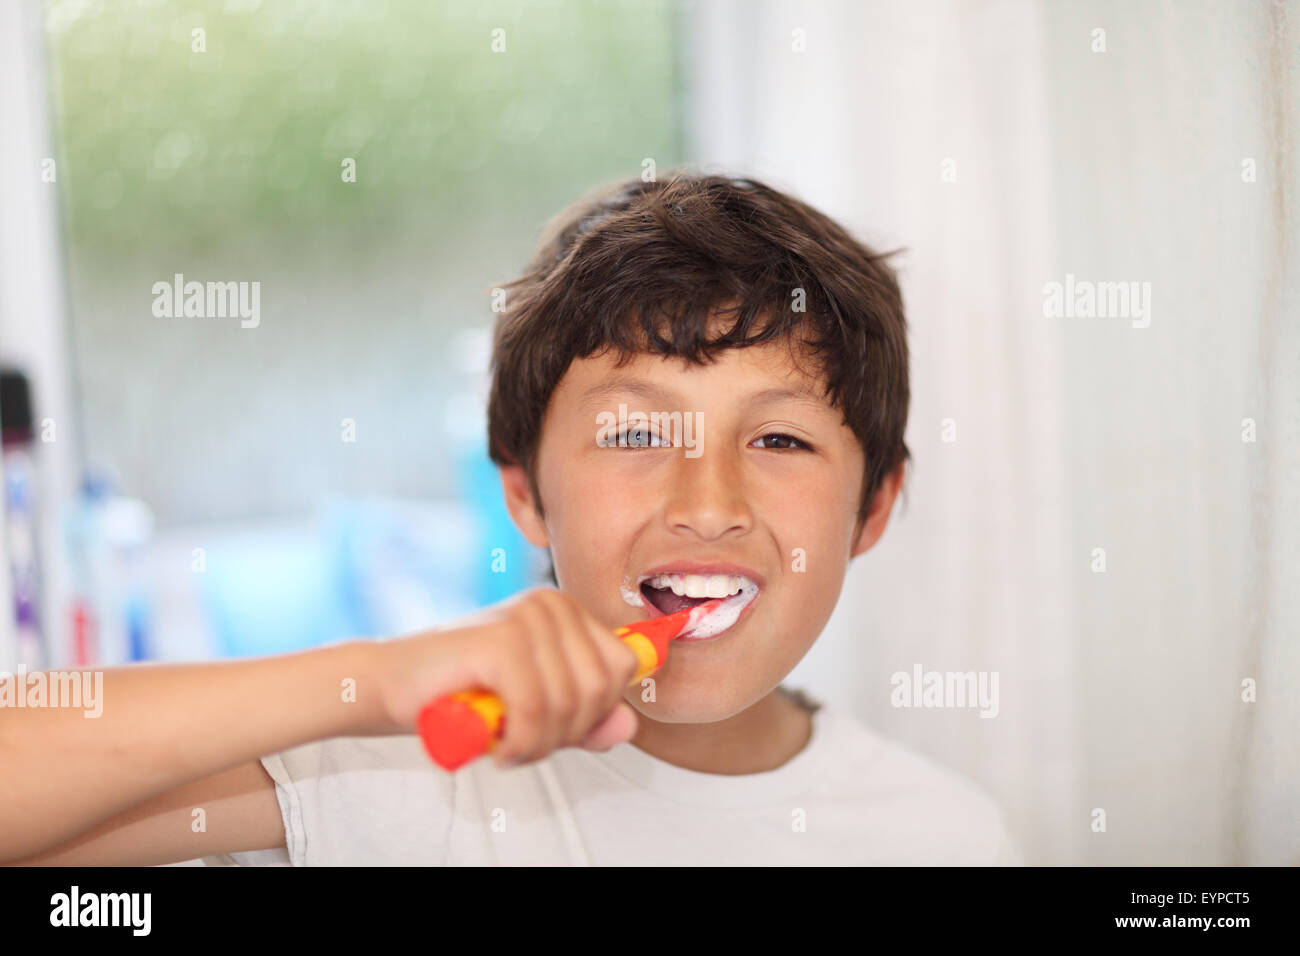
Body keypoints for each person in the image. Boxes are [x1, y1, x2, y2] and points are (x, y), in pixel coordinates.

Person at [0, 172, 1021, 865]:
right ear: (524, 492)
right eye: (631, 435)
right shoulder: (399, 773)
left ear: (872, 507)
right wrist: (375, 679)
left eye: (779, 441)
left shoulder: (949, 837)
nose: (708, 505)